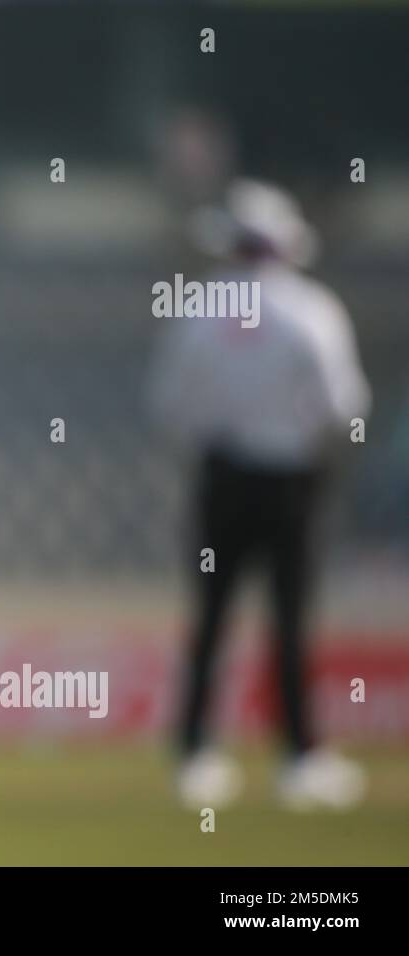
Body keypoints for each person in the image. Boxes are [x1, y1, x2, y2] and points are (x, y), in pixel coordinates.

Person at [150, 179, 372, 811]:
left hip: (223, 475)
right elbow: (344, 405)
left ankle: (196, 754)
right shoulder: (312, 309)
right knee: (290, 618)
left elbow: (170, 405)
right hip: (291, 481)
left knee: (212, 615)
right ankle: (299, 759)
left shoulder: (197, 309)